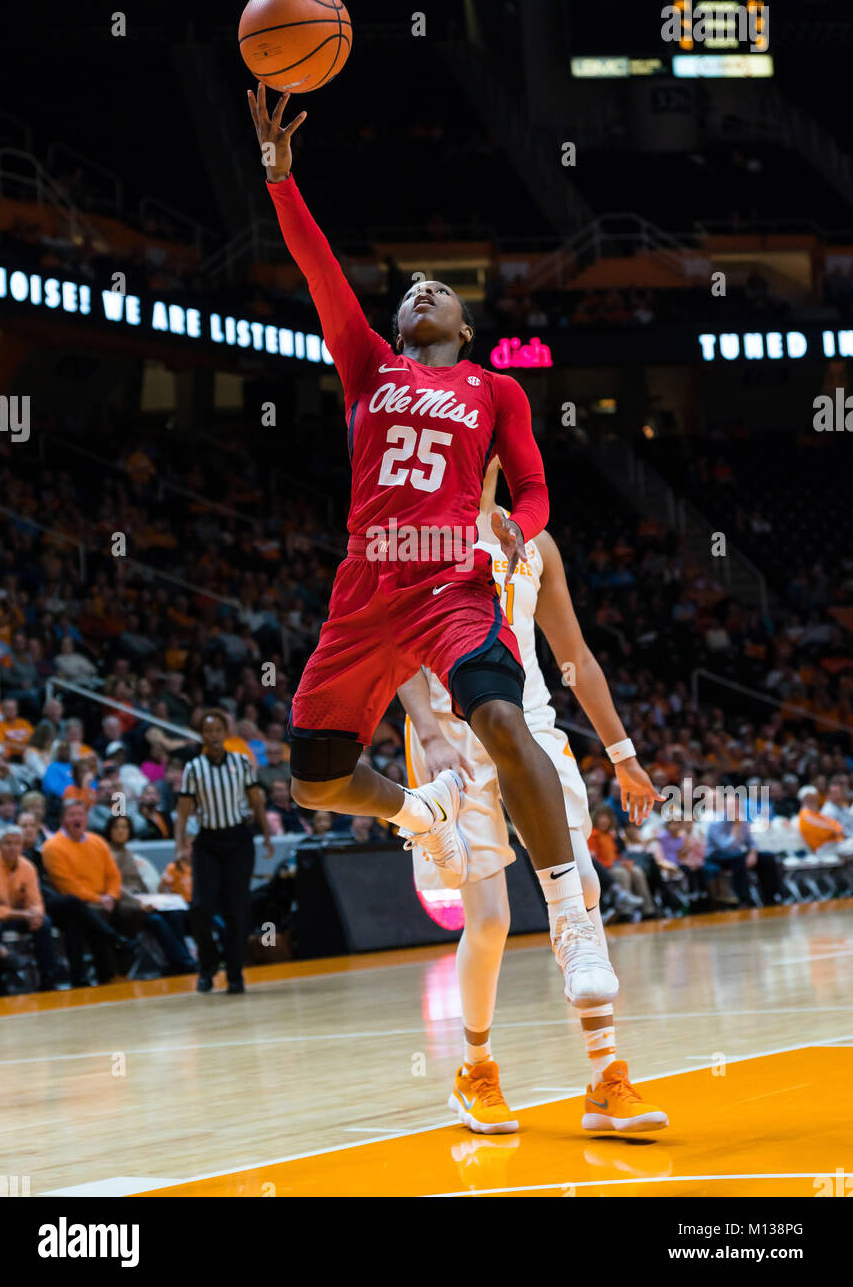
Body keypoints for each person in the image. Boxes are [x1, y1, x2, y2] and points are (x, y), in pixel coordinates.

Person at [247, 85, 618, 1014]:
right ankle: (424, 816)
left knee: (502, 719)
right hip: (366, 585)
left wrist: (517, 528)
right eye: (411, 288)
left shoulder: (496, 393)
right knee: (316, 780)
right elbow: (320, 270)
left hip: (450, 582)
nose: (420, 291)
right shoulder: (368, 364)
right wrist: (280, 178)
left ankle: (572, 923)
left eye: (439, 291)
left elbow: (532, 488)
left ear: (464, 328)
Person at [399, 462, 666, 1134]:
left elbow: (573, 657)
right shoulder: (416, 536)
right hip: (452, 737)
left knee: (581, 894)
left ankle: (607, 1080)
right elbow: (394, 650)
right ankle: (475, 1071)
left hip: (535, 727)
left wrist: (624, 756)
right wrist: (429, 735)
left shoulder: (531, 542)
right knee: (487, 919)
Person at [175, 710, 271, 994]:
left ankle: (234, 972)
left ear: (225, 734)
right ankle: (207, 966)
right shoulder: (193, 768)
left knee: (237, 909)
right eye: (208, 731)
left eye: (218, 730)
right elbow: (182, 812)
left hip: (239, 840)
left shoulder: (241, 763)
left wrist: (265, 833)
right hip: (207, 842)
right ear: (202, 735)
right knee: (200, 907)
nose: (213, 735)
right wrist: (179, 844)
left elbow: (256, 800)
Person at [42, 799, 124, 981]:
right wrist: (98, 898)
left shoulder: (98, 842)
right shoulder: (53, 846)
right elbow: (66, 886)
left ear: (86, 818)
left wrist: (111, 895)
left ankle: (123, 963)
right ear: (63, 820)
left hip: (104, 899)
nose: (77, 819)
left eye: (80, 814)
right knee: (83, 918)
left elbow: (113, 875)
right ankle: (111, 959)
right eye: (72, 815)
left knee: (135, 911)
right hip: (74, 904)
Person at [104, 816, 195, 975]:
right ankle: (184, 961)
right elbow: (115, 886)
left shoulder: (128, 853)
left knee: (175, 914)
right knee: (156, 920)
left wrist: (153, 899)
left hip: (140, 898)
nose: (121, 831)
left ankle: (177, 961)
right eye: (117, 827)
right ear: (109, 830)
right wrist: (138, 903)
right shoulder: (107, 854)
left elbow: (139, 883)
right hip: (125, 905)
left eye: (124, 827)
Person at [0, 824, 58, 991]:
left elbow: (36, 901)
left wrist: (36, 915)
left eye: (17, 843)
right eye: (8, 843)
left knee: (43, 922)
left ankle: (48, 978)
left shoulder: (28, 867)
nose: (13, 848)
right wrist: (24, 914)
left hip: (17, 915)